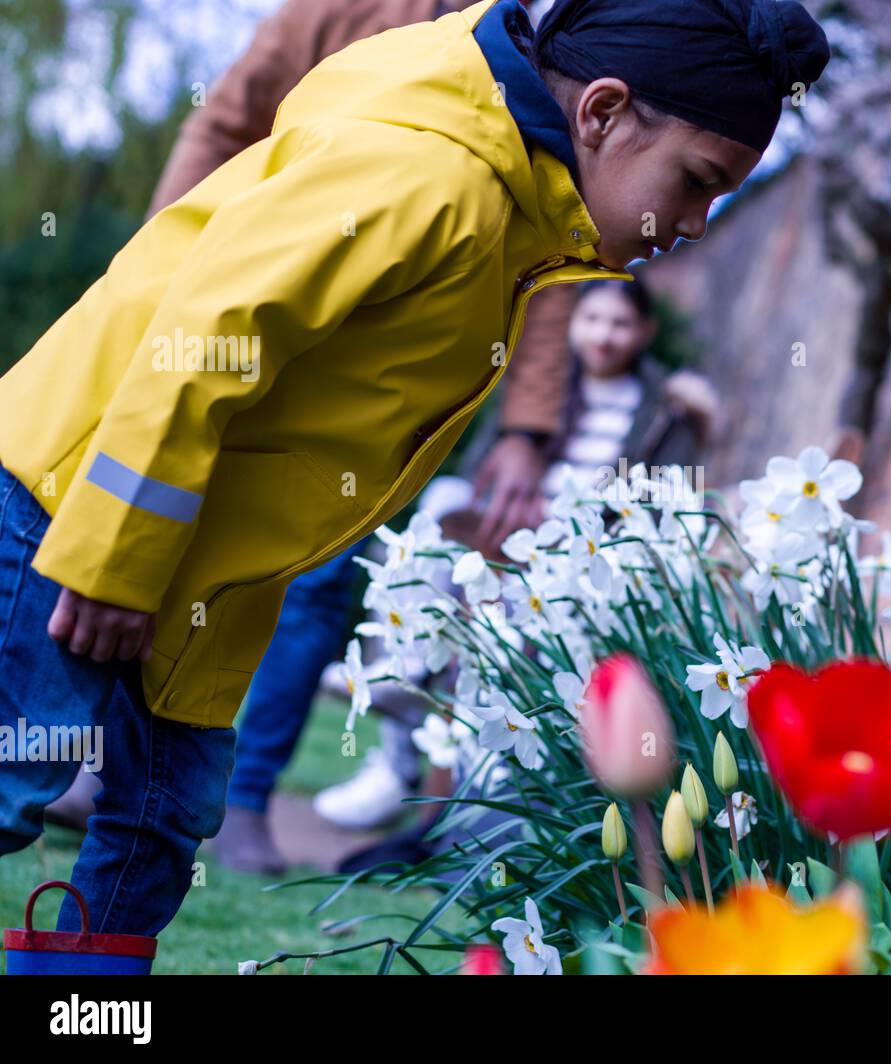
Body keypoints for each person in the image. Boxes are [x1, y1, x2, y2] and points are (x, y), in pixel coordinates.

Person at [0, 0, 829, 943]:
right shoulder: (426, 171)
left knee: (161, 823)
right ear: (601, 111)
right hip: (77, 508)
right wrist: (113, 560)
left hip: (204, 559)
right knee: (13, 783)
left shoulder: (524, 195)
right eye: (695, 182)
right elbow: (206, 337)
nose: (694, 224)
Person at [32, 0, 581, 876]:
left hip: (366, 389)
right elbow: (221, 126)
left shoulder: (535, 55)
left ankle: (239, 796)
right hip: (254, 319)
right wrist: (160, 275)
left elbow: (551, 259)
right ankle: (90, 757)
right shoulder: (331, 16)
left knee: (312, 582)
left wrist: (527, 427)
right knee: (149, 543)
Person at [316, 275, 718, 846]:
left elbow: (659, 511)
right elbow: (480, 476)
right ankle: (399, 688)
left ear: (646, 332)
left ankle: (435, 766)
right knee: (444, 502)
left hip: (580, 564)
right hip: (499, 542)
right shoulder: (536, 392)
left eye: (620, 323)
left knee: (488, 624)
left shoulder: (667, 414)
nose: (604, 335)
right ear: (573, 325)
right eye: (593, 319)